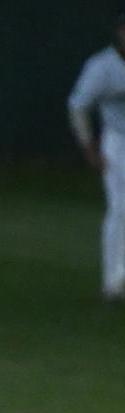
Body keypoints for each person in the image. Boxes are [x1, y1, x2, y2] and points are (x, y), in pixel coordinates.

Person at [69, 10, 125, 304]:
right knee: (120, 208)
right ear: (118, 32)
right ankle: (113, 283)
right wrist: (89, 147)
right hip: (117, 143)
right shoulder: (103, 66)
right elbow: (78, 105)